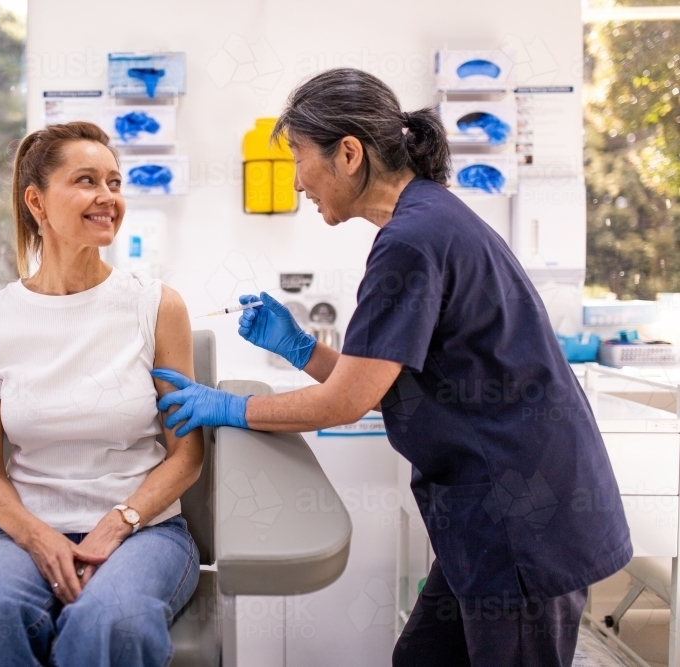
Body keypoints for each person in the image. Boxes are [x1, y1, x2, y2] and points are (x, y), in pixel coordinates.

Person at [152, 68, 631, 667]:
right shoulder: (427, 218)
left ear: (347, 153)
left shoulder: (412, 240)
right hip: (494, 516)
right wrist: (302, 350)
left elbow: (345, 403)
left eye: (300, 157)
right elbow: (381, 387)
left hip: (519, 523)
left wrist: (229, 407)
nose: (299, 181)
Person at [0, 122, 203, 667]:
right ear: (37, 202)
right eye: (86, 180)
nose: (108, 197)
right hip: (28, 531)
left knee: (112, 624)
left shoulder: (156, 305)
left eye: (115, 183)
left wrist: (116, 524)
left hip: (146, 531)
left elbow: (187, 454)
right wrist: (37, 537)